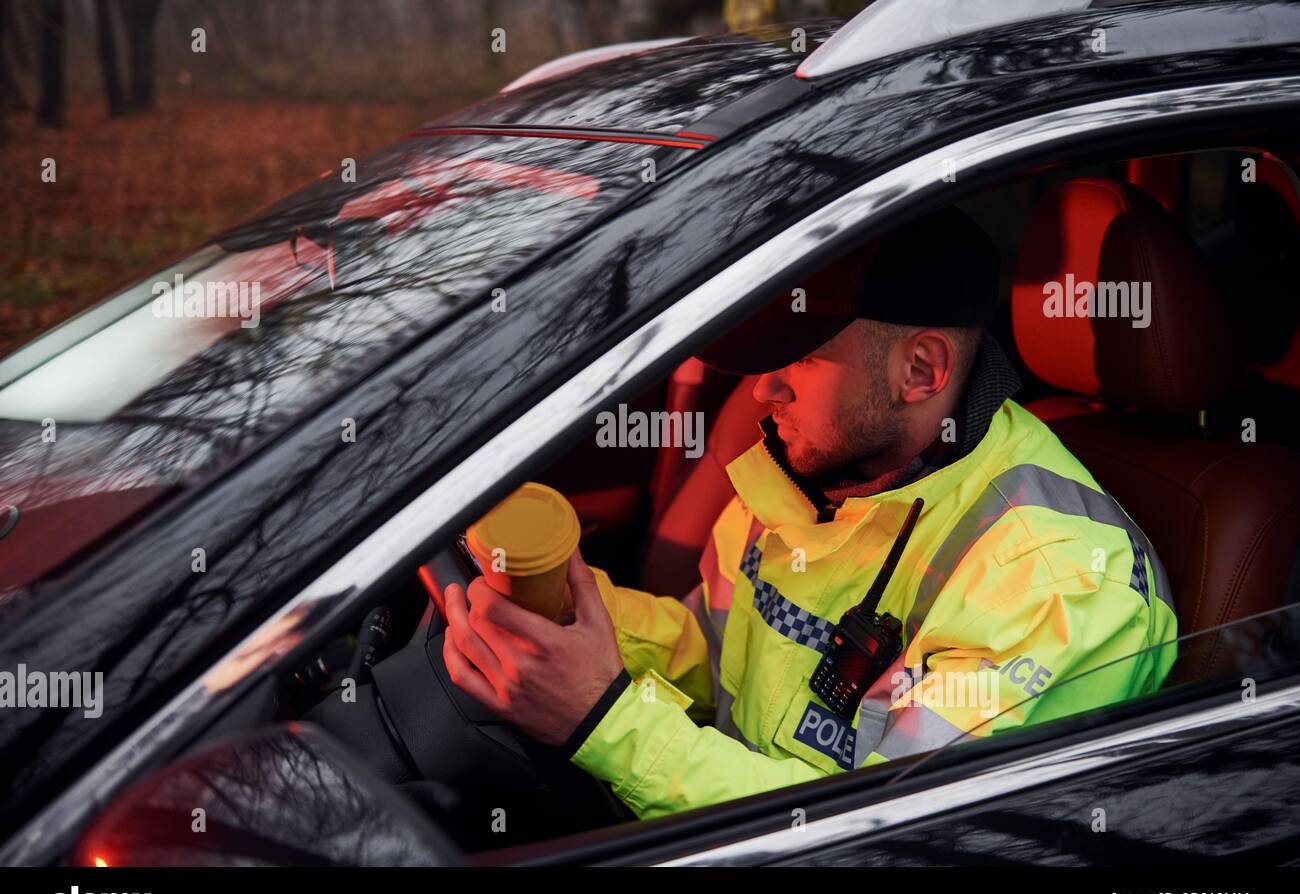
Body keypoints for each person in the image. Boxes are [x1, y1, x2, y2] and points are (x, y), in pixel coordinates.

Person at [442, 207, 1178, 820]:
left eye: (800, 360)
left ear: (920, 371)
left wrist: (606, 724)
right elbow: (714, 649)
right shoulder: (813, 475)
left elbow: (878, 831)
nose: (764, 391)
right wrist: (570, 613)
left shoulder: (1053, 584)